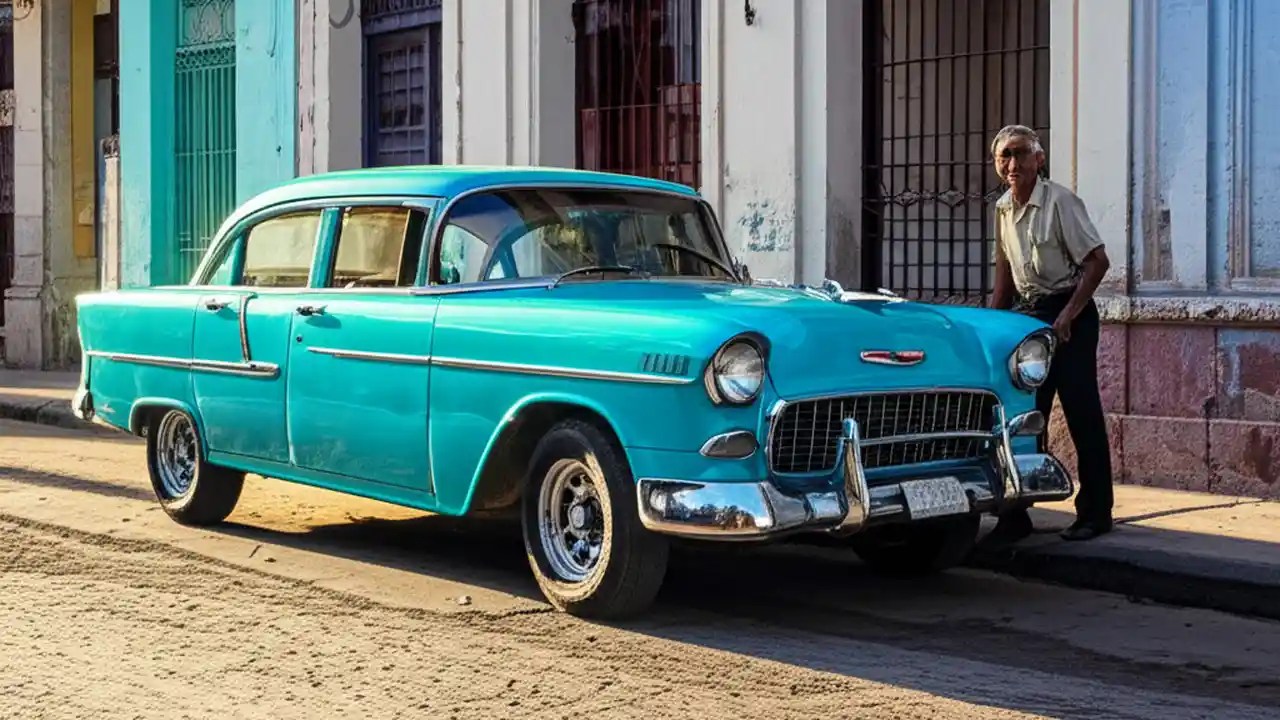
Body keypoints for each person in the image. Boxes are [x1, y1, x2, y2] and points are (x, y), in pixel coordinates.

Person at [983, 124, 1114, 543]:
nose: (1013, 164)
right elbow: (1004, 276)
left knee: (1080, 411)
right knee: (1022, 418)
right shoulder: (1003, 208)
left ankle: (1095, 513)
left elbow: (1097, 262)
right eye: (1005, 156)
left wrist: (1069, 316)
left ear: (1039, 160)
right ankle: (1015, 515)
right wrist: (989, 328)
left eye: (1021, 154)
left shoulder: (1060, 201)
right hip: (1030, 317)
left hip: (1070, 310)